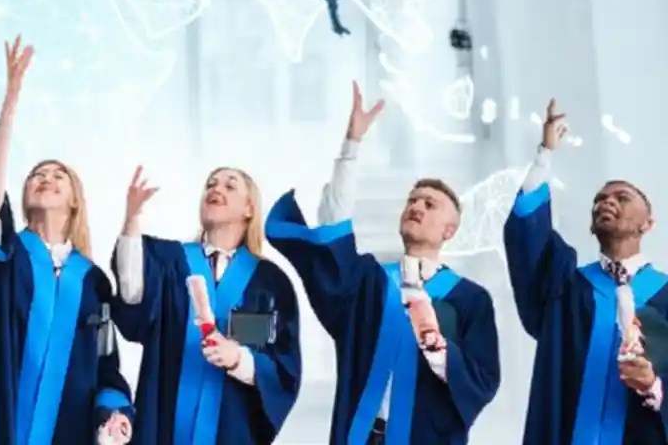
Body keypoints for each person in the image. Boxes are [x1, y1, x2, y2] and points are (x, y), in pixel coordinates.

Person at [266, 82, 501, 445]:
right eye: (413, 200)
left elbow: (482, 381)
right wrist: (351, 146)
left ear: (449, 230)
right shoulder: (370, 283)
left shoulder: (471, 300)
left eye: (430, 204)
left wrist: (436, 345)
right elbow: (333, 235)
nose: (417, 207)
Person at [0, 37, 135, 445]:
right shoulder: (4, 259)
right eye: (37, 175)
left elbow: (106, 364)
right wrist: (11, 101)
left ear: (75, 201)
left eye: (58, 176)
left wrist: (115, 415)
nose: (46, 178)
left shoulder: (93, 282)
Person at [505, 98, 668, 443]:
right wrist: (543, 155)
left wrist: (653, 386)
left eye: (621, 197)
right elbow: (527, 243)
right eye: (600, 199)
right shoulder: (566, 286)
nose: (606, 202)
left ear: (648, 223)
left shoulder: (665, 296)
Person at [111, 164, 302, 444]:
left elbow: (281, 368)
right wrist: (131, 220)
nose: (216, 189)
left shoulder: (268, 283)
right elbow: (132, 293)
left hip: (230, 430)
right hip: (164, 429)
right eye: (211, 184)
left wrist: (239, 358)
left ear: (249, 208)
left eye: (229, 185)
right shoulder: (169, 262)